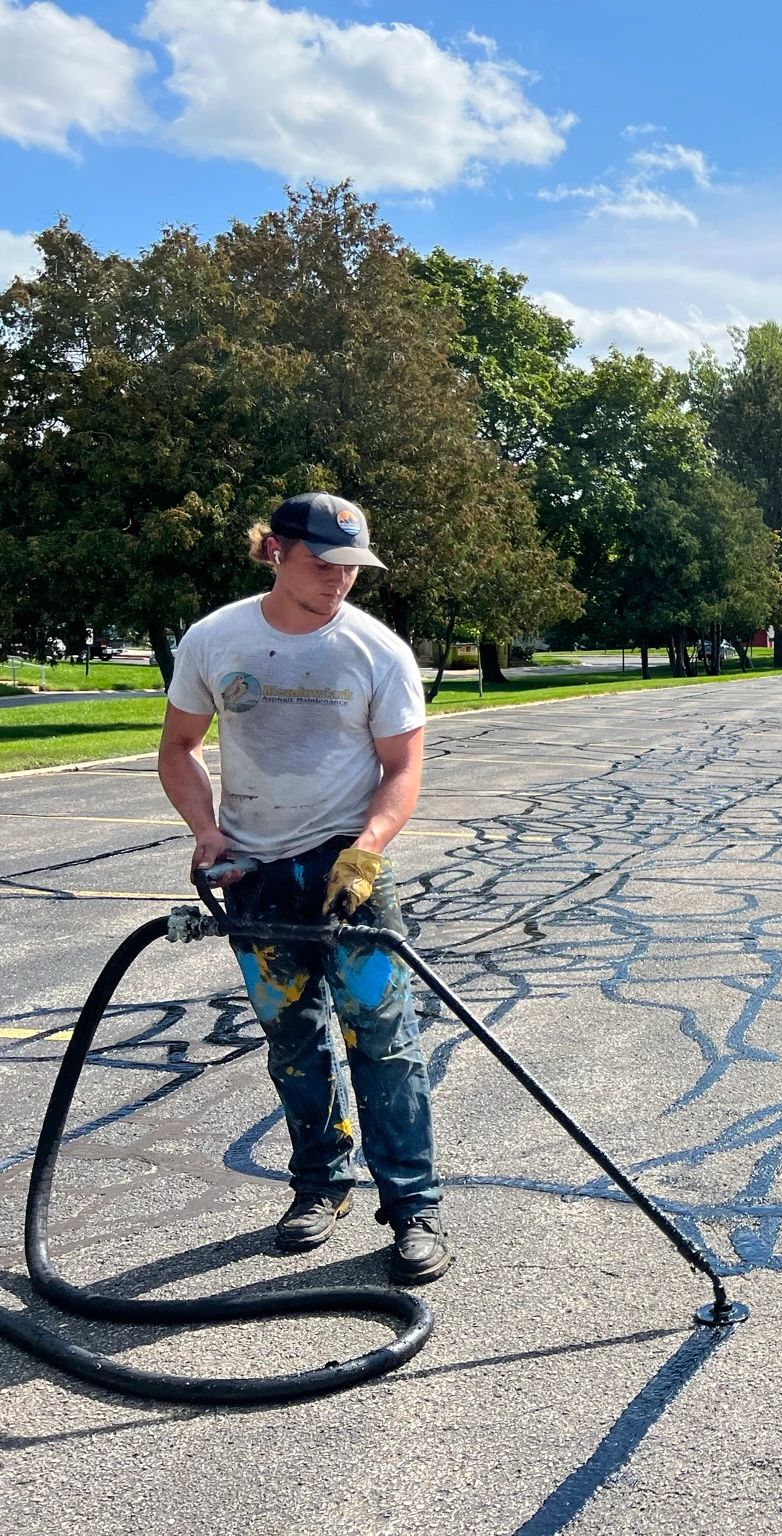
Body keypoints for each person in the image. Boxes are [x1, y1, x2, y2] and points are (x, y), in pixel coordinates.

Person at [156, 492, 450, 1284]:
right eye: (323, 564)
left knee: (384, 1041)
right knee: (293, 1039)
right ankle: (320, 1186)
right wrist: (206, 831)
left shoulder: (376, 650)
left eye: (352, 567)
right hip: (255, 872)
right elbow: (180, 747)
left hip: (348, 870)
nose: (340, 581)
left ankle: (414, 1207)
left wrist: (369, 849)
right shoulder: (216, 639)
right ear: (275, 551)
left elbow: (403, 768)